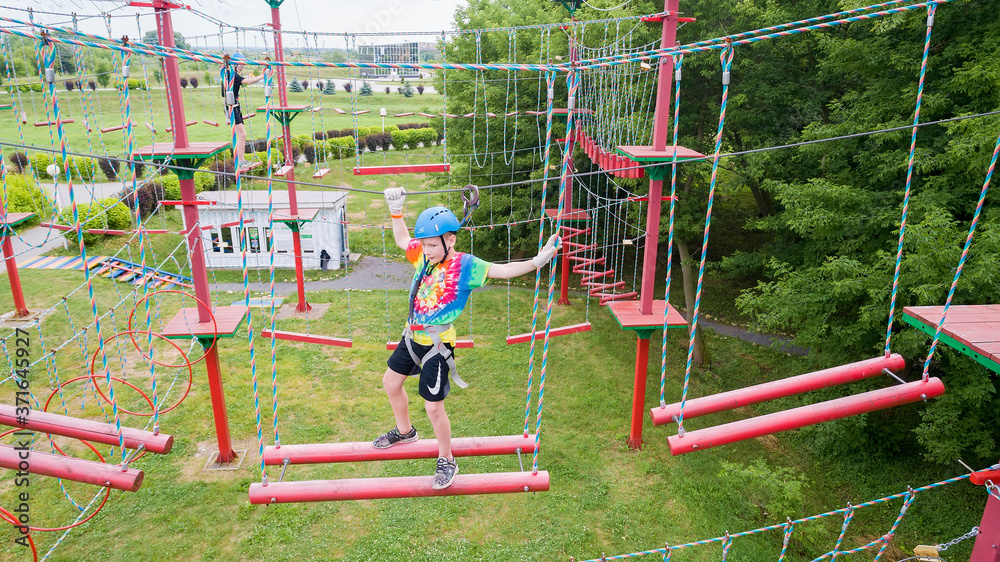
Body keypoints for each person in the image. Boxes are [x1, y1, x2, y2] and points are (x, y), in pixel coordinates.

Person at [373, 187, 561, 490]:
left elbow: (503, 270)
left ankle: (447, 458)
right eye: (425, 245)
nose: (428, 250)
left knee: (433, 407)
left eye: (433, 245)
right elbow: (400, 239)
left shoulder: (466, 266)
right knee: (390, 382)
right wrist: (396, 210)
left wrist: (537, 261)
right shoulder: (423, 255)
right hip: (412, 337)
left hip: (437, 344)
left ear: (451, 240)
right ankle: (405, 432)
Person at [222, 53, 264, 170]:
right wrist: (262, 76)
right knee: (242, 134)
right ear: (234, 64)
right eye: (240, 65)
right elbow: (247, 82)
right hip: (231, 106)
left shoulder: (229, 73)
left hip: (234, 105)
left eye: (243, 66)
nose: (242, 67)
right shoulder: (231, 74)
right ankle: (241, 162)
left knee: (242, 134)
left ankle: (241, 161)